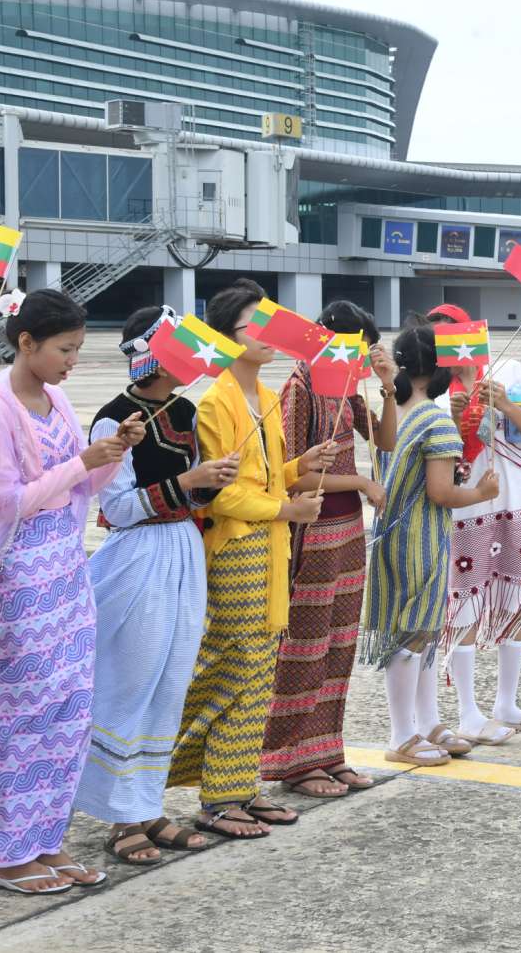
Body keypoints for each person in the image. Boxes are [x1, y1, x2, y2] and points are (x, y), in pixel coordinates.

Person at [0, 289, 136, 892]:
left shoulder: (55, 398)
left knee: (70, 705)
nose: (71, 361)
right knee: (27, 703)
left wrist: (112, 454)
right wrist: (83, 461)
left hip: (66, 563)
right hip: (23, 567)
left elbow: (84, 486)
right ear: (26, 342)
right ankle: (4, 847)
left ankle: (42, 838)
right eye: (64, 349)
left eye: (79, 349)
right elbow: (7, 502)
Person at [169, 280, 337, 840]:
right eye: (254, 327)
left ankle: (238, 787)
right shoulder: (215, 399)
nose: (268, 337)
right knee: (234, 665)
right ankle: (211, 794)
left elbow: (264, 477)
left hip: (270, 546)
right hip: (238, 545)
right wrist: (286, 507)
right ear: (226, 336)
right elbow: (221, 491)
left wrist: (299, 466)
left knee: (260, 671)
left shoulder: (264, 397)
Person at [76, 308, 239, 864]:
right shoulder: (111, 419)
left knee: (170, 680)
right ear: (154, 354)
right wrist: (186, 481)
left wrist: (209, 483)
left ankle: (146, 805)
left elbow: (191, 491)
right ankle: (118, 816)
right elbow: (118, 508)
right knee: (131, 678)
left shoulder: (187, 410)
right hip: (139, 556)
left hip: (182, 553)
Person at [262, 301, 397, 799]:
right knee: (306, 646)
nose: (359, 357)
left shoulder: (348, 385)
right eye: (355, 347)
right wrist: (360, 480)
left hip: (347, 530)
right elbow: (292, 474)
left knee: (339, 646)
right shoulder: (299, 386)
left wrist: (386, 386)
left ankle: (326, 751)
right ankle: (290, 760)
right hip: (313, 529)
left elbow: (385, 439)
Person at [365, 324, 494, 765]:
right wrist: (482, 493)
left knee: (420, 633)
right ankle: (403, 732)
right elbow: (442, 493)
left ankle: (426, 722)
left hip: (392, 536)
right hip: (421, 536)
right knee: (414, 635)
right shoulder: (435, 419)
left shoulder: (393, 413)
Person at [440, 327, 521, 742]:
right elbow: (442, 457)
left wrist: (506, 403)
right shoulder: (441, 394)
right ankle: (467, 711)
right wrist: (455, 419)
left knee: (518, 598)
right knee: (466, 602)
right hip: (470, 507)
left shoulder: (510, 372)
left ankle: (506, 702)